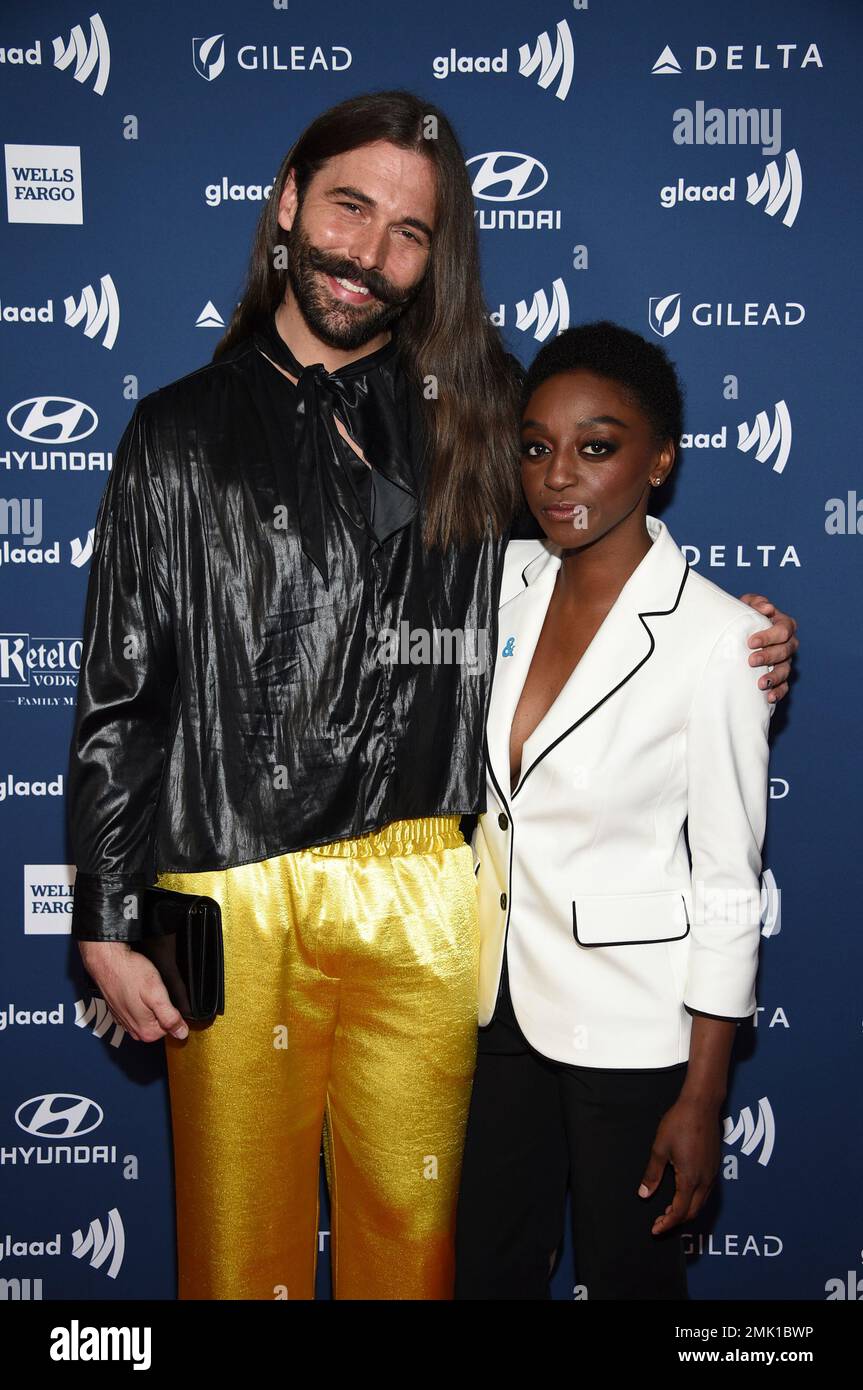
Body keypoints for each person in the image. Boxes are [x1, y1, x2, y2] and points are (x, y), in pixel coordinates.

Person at [67, 93, 797, 1302]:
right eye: (351, 207)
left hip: (425, 892)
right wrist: (103, 909)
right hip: (223, 891)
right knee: (234, 1252)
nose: (371, 253)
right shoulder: (174, 431)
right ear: (290, 204)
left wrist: (746, 632)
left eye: (411, 232)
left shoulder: (482, 416)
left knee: (415, 1253)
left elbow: (599, 539)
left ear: (435, 254)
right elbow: (122, 688)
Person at [455, 321, 782, 1301]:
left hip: (634, 1033)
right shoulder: (496, 587)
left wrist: (702, 1093)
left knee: (631, 1284)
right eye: (535, 445)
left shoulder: (720, 639)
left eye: (595, 446)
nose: (558, 474)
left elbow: (728, 883)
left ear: (659, 461)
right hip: (492, 1011)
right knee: (483, 1275)